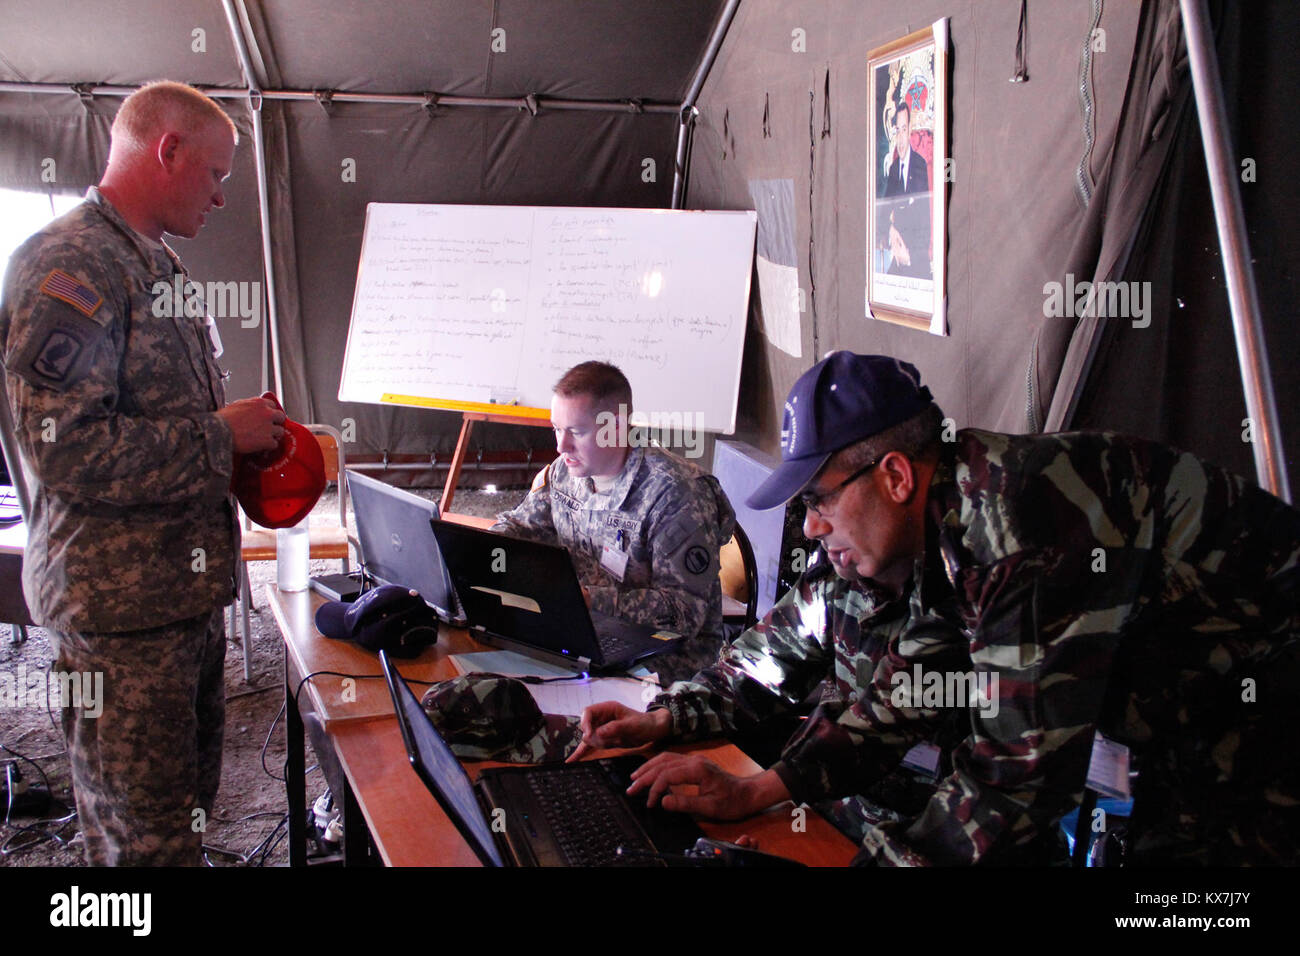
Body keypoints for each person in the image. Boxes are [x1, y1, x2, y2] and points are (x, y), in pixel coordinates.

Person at [578, 351, 1300, 865]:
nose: (809, 527)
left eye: (820, 499)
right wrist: (755, 790)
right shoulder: (928, 534)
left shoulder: (1021, 526)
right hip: (1197, 724)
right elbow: (900, 694)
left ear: (893, 474)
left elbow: (1015, 779)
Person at [0, 81, 285, 865]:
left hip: (179, 602)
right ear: (168, 151)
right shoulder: (71, 265)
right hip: (118, 621)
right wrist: (218, 439)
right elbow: (65, 450)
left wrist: (245, 449)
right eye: (218, 174)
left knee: (185, 819)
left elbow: (165, 419)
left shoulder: (156, 264)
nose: (224, 196)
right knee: (140, 845)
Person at [492, 361, 736, 682]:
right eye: (556, 429)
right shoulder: (566, 471)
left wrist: (591, 600)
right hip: (591, 632)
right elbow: (520, 527)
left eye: (576, 432)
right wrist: (485, 549)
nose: (560, 445)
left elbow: (685, 613)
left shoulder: (676, 494)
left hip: (668, 658)